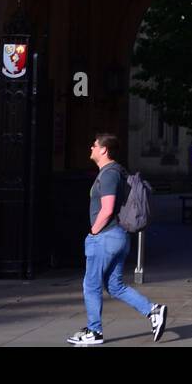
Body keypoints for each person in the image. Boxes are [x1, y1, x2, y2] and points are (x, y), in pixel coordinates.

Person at [66, 133, 168, 346]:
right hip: (117, 237)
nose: (91, 149)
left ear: (104, 150)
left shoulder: (109, 174)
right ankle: (153, 310)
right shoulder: (115, 172)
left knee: (91, 284)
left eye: (94, 145)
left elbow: (108, 208)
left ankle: (94, 332)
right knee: (114, 286)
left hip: (105, 236)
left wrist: (93, 232)